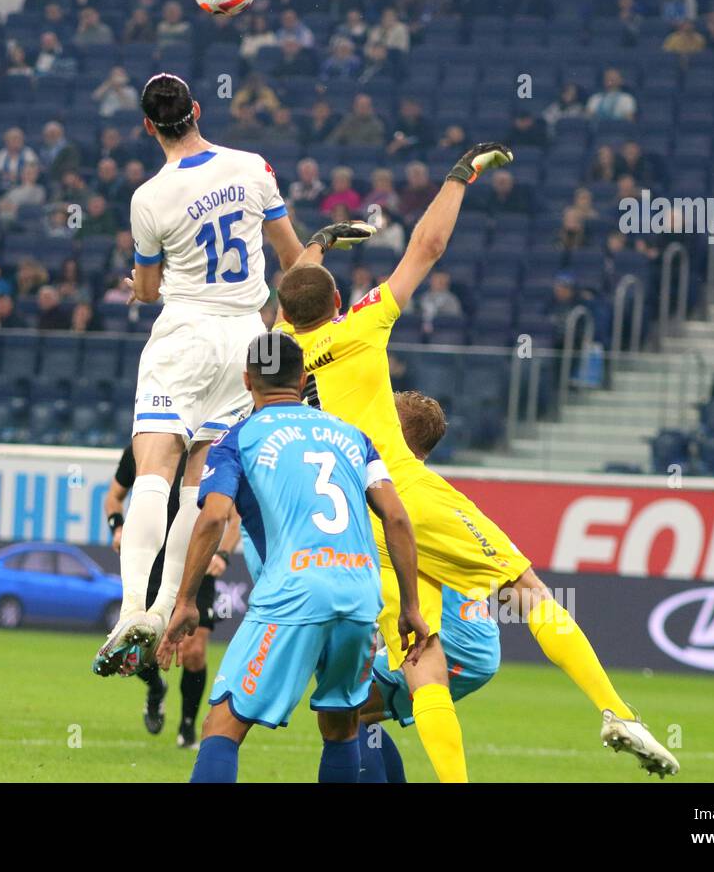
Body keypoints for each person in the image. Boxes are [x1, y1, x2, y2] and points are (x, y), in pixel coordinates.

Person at [277, 142, 680, 781]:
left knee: (422, 661)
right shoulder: (359, 327)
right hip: (405, 491)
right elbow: (426, 250)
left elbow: (291, 294)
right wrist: (459, 177)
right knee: (528, 592)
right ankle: (615, 710)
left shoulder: (281, 353)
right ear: (335, 303)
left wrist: (317, 246)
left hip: (356, 527)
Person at [92, 73, 303, 677]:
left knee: (154, 469)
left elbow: (152, 288)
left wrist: (137, 288)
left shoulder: (149, 197)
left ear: (147, 126)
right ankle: (165, 609)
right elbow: (292, 261)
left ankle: (133, 606)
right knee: (198, 483)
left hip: (185, 332)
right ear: (198, 111)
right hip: (245, 338)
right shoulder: (252, 167)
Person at [158, 333, 429, 783]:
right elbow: (397, 519)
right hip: (360, 593)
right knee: (342, 725)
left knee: (222, 725)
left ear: (247, 381)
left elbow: (212, 519)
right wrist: (411, 606)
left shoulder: (237, 439)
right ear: (303, 379)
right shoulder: (353, 437)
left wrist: (186, 600)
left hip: (295, 588)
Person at [358, 391, 501, 782]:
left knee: (345, 709)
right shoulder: (422, 488)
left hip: (456, 640)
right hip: (472, 634)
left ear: (398, 432)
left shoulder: (399, 495)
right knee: (358, 715)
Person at [105, 442, 240, 748]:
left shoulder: (211, 450)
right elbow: (113, 498)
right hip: (153, 563)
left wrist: (223, 555)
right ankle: (155, 688)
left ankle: (188, 726)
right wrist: (117, 526)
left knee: (194, 652)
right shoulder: (147, 445)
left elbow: (233, 517)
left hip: (195, 563)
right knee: (139, 643)